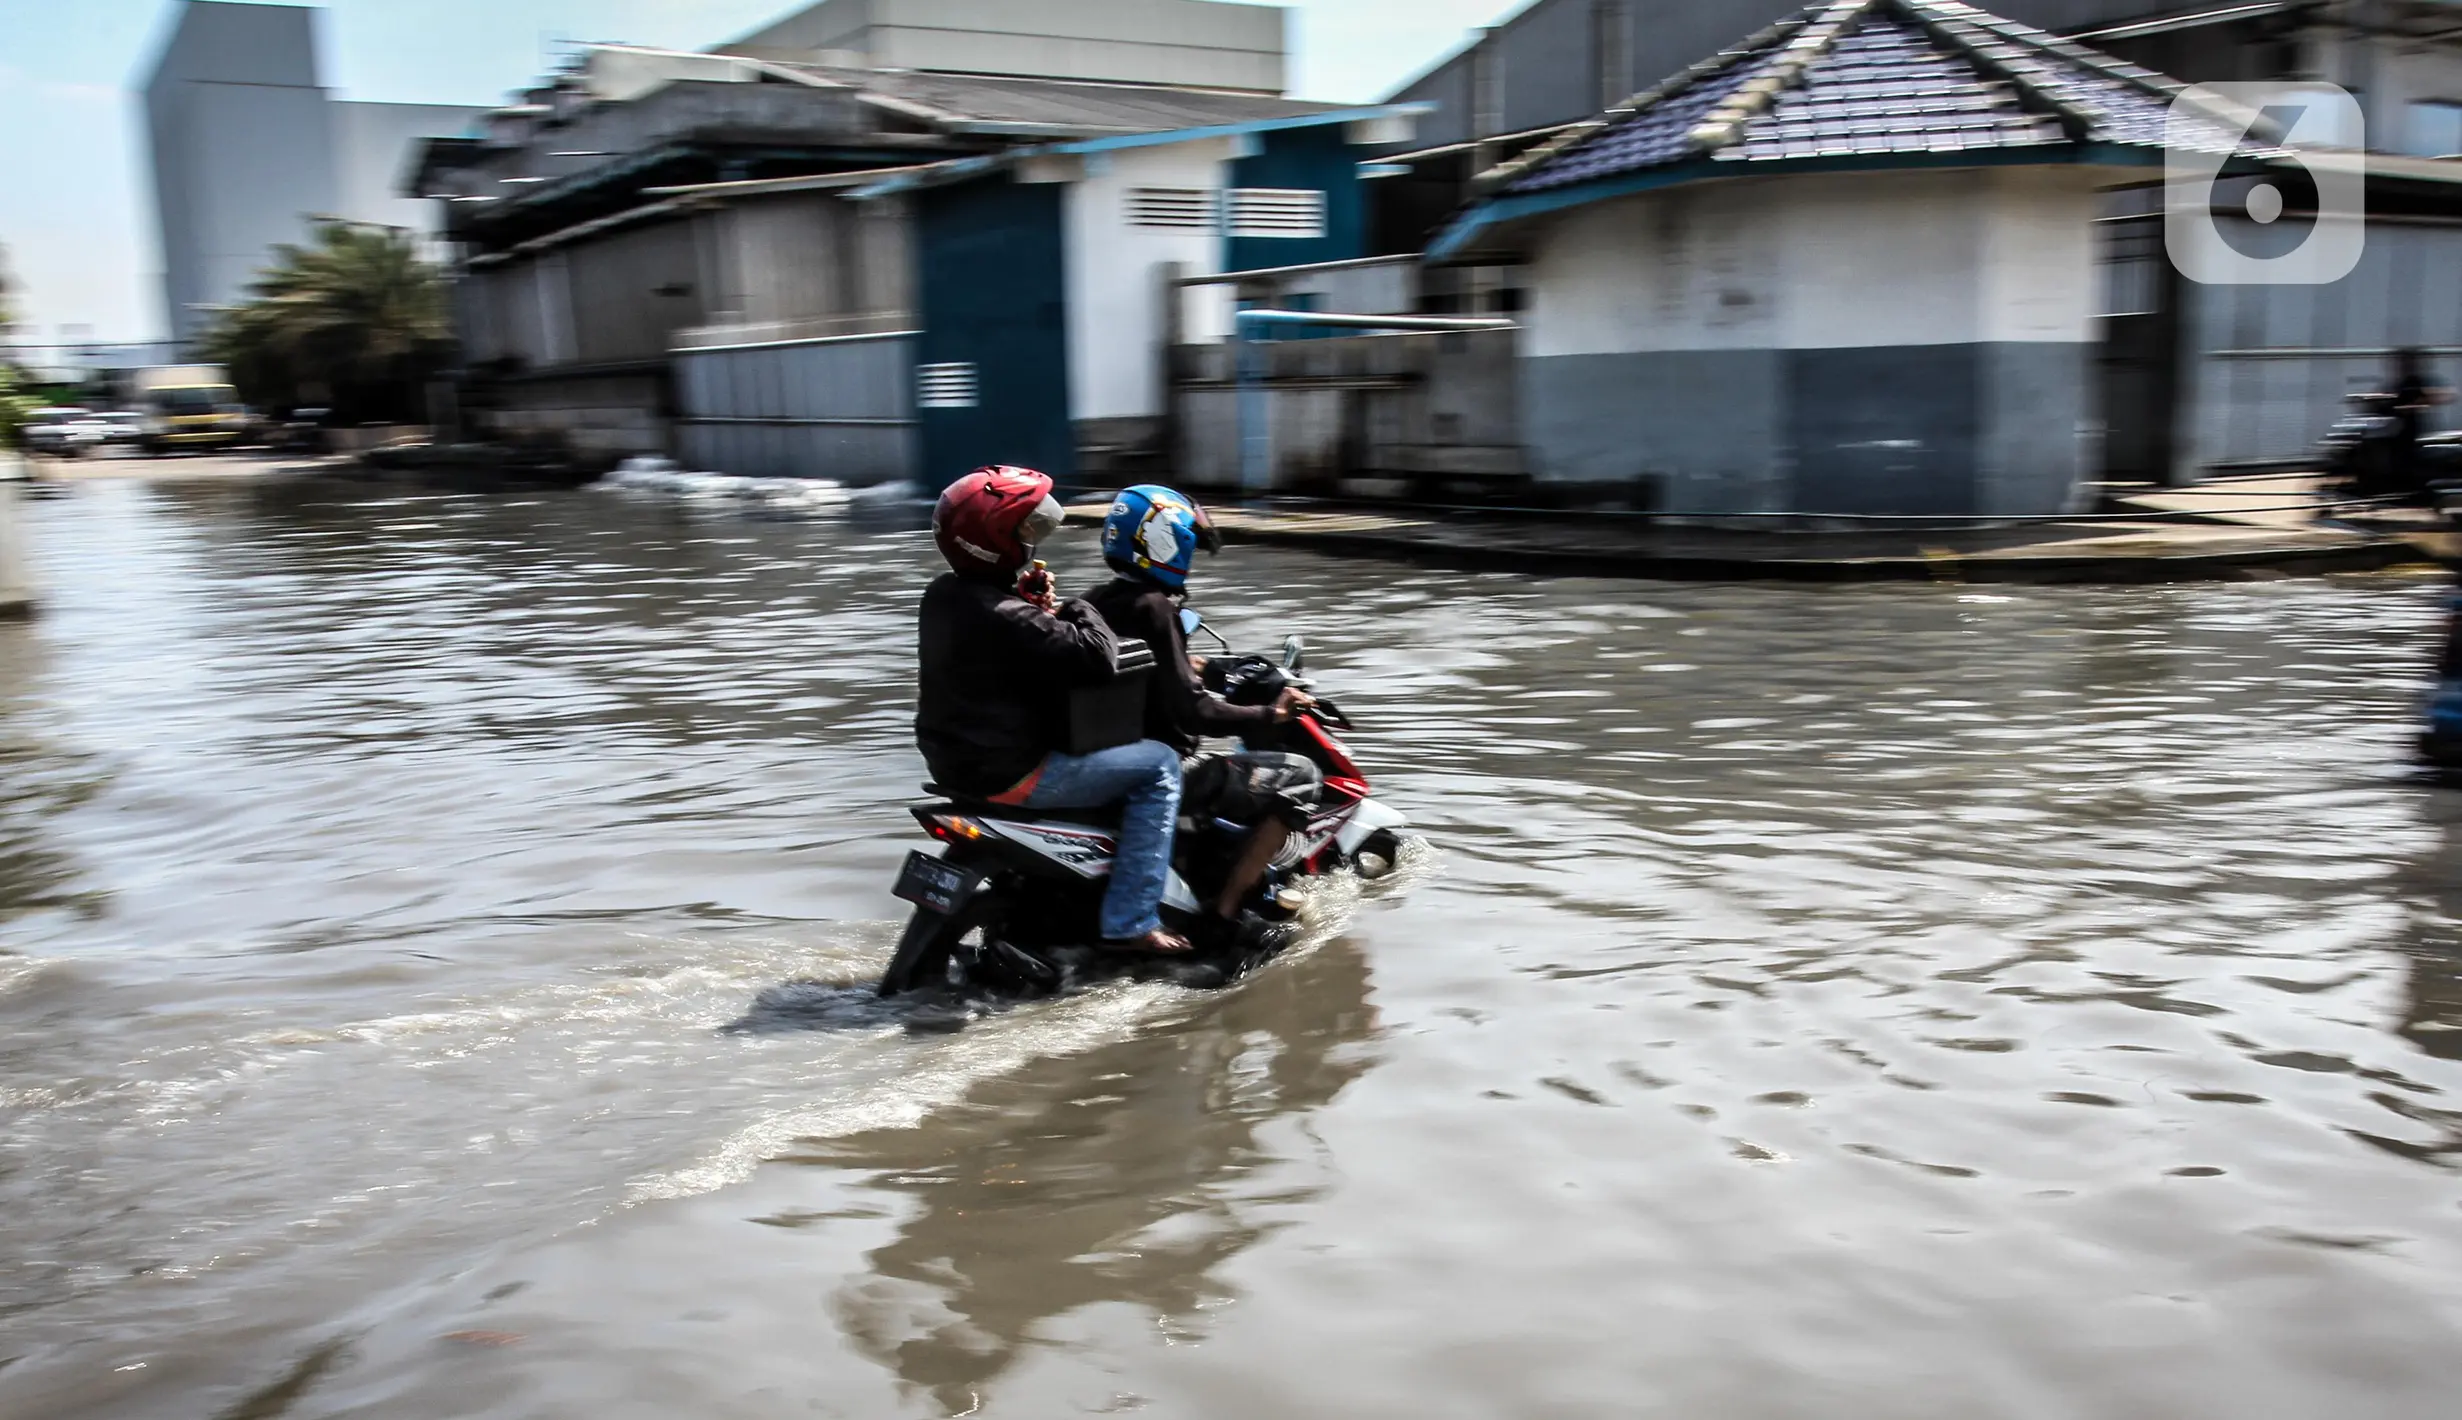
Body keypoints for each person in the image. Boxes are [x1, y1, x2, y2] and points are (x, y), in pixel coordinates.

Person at [914, 466, 1191, 956]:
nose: (1031, 538)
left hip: (953, 767)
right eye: (1023, 530)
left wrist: (1030, 604)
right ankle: (1131, 920)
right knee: (1160, 766)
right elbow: (1098, 656)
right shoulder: (1010, 615)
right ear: (993, 542)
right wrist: (1070, 607)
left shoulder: (943, 596)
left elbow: (999, 637)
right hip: (1013, 773)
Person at [1083, 485, 1321, 933]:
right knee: (1301, 774)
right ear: (1162, 543)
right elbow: (1197, 713)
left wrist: (1209, 666)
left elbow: (1152, 666)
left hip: (1109, 759)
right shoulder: (1155, 608)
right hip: (1162, 765)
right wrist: (1272, 714)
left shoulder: (1094, 602)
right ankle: (1227, 913)